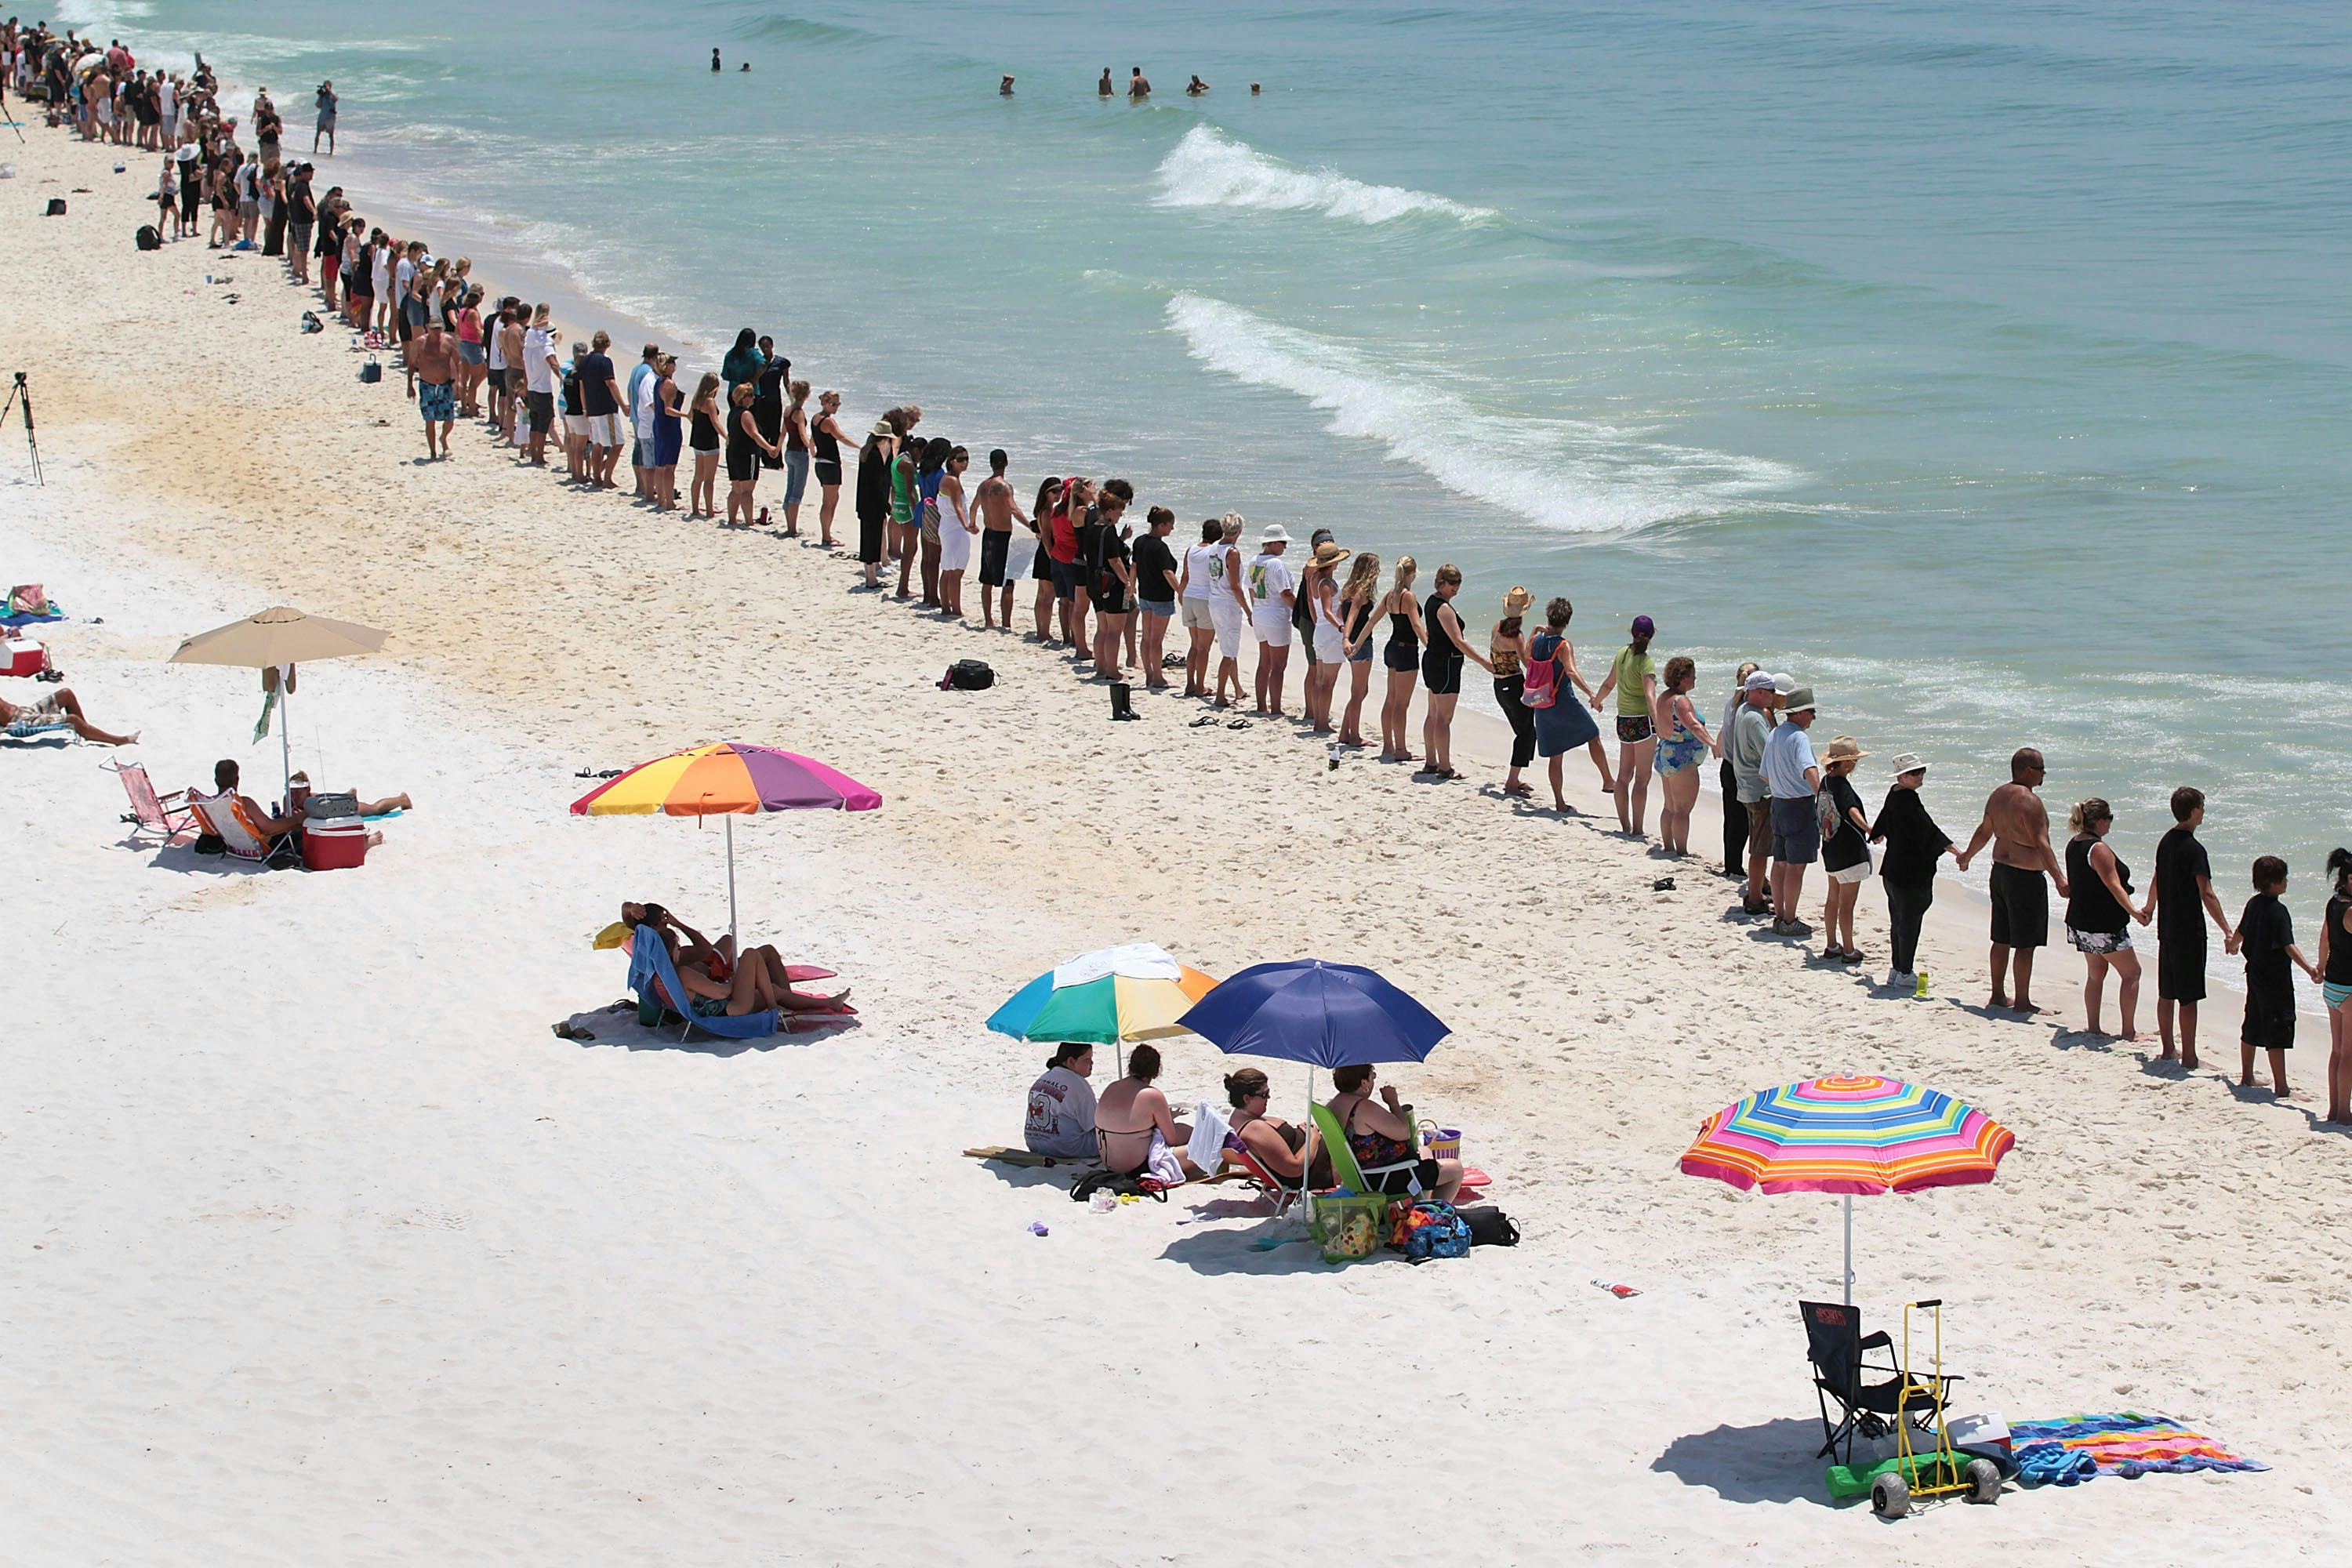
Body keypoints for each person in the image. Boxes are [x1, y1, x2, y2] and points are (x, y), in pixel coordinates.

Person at [1958, 748, 2069, 1014]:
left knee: (2001, 938)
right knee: (2025, 943)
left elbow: (1985, 831)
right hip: (2025, 878)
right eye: (2042, 770)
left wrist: (1967, 856)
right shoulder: (2030, 801)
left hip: (2000, 873)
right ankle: (2022, 1001)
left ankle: (1997, 995)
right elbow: (2042, 844)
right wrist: (2060, 879)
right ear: (2029, 771)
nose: (2044, 775)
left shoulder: (1998, 795)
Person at [619, 900, 849, 1020]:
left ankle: (784, 1004)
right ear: (651, 928)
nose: (667, 925)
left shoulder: (661, 959)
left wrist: (679, 925)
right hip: (722, 1001)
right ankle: (781, 1006)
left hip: (715, 990)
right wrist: (738, 981)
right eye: (664, 923)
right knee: (755, 960)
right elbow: (721, 992)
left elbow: (705, 949)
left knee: (765, 953)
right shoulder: (672, 962)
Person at [2146, 786, 2234, 1070]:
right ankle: (2191, 1057)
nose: (2204, 811)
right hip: (2189, 931)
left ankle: (2169, 1049)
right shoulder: (2195, 849)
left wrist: (2149, 908)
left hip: (2167, 928)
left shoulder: (2165, 842)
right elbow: (2207, 893)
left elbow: (2157, 878)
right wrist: (2227, 930)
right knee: (2189, 996)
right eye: (2202, 807)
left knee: (2167, 991)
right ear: (2193, 811)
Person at [1868, 752, 1958, 989]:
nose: (1920, 777)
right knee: (1909, 924)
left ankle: (1898, 969)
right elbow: (1929, 831)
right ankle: (1906, 972)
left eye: (1922, 772)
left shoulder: (1895, 794)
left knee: (1898, 922)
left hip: (1892, 871)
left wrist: (1878, 833)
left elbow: (1886, 818)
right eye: (1914, 773)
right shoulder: (1908, 800)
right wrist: (1958, 852)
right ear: (1901, 777)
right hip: (1908, 874)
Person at [2063, 797, 2148, 1039]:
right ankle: (2129, 1032)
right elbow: (2114, 886)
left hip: (2081, 921)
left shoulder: (2074, 843)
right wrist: (2135, 912)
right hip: (2102, 924)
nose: (2111, 823)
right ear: (2100, 821)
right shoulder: (2098, 848)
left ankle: (2094, 1027)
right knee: (2132, 974)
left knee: (2096, 973)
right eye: (2109, 818)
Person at [2236, 857, 2318, 1098]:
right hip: (2276, 980)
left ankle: (2247, 1076)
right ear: (2273, 883)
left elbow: (2241, 930)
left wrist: (2232, 944)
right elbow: (2288, 946)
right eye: (2284, 878)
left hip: (2255, 974)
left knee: (2252, 1021)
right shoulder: (2279, 911)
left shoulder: (2253, 904)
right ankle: (2281, 1087)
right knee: (2277, 1029)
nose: (2287, 882)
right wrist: (2309, 969)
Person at [1325, 1065, 1463, 1203]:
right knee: (1455, 1169)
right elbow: (1404, 1132)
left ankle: (1420, 1208)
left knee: (1425, 1150)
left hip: (1358, 1175)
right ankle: (1434, 1213)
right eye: (1372, 1075)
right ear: (1364, 1083)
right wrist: (1393, 1103)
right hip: (1384, 1178)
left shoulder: (1333, 1105)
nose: (1373, 1079)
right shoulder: (1363, 1107)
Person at [1527, 597, 1612, 813]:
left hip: (1542, 702)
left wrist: (1536, 630)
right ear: (1568, 621)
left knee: (1556, 757)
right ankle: (1607, 780)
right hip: (1563, 700)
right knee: (1593, 734)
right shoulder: (1563, 645)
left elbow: (1527, 659)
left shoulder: (1536, 641)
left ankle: (1559, 802)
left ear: (1548, 617)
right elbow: (1572, 672)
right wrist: (1592, 694)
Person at [1591, 615, 1660, 838]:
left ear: (1631, 632)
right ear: (1652, 636)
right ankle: (1638, 829)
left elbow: (1609, 683)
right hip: (1643, 723)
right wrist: (1660, 723)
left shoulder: (1622, 654)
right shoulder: (1646, 662)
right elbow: (1650, 696)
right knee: (1642, 779)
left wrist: (1597, 700)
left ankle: (1624, 825)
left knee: (1623, 776)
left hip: (1624, 722)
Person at [1762, 685, 1822, 938]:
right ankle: (1789, 919)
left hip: (1778, 804)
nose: (1813, 718)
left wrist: (1782, 783)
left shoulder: (1775, 734)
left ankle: (1780, 916)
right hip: (1799, 806)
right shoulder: (1799, 737)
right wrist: (1826, 797)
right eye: (1811, 712)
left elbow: (1764, 775)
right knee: (1796, 867)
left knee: (1780, 861)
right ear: (1799, 713)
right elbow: (1809, 769)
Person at [1418, 564, 1487, 779]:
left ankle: (1431, 762)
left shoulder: (1431, 601)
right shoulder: (1445, 609)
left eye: (1458, 583)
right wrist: (1485, 662)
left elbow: (1431, 632)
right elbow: (1458, 641)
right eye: (1452, 583)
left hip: (1432, 660)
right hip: (1445, 664)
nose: (1456, 587)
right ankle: (1445, 767)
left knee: (1433, 714)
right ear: (1441, 583)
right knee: (1443, 719)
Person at [1093, 1044, 1194, 1178]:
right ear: (1156, 1071)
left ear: (1130, 1066)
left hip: (1109, 1164)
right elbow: (1172, 1140)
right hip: (1138, 1168)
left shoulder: (1111, 1087)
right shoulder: (1152, 1095)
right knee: (1196, 1139)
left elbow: (1128, 1122)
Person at [1653, 655, 1719, 858]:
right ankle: (1681, 851)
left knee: (1669, 806)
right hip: (1682, 759)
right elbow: (1693, 725)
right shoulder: (1681, 701)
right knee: (1682, 809)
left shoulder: (1664, 697)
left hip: (1666, 753)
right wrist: (1712, 744)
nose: (1695, 679)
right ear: (1682, 678)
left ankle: (1669, 847)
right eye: (1692, 676)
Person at [1222, 1067, 1329, 1190]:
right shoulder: (1254, 1129)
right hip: (1322, 1170)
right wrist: (1313, 1138)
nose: (1269, 1097)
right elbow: (1294, 1168)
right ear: (1247, 1099)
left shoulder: (1239, 1117)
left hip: (1320, 1163)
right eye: (1264, 1094)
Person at [1814, 735, 1871, 961]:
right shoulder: (1843, 785)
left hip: (1830, 848)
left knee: (1833, 899)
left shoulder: (1825, 782)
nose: (1855, 765)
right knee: (1847, 905)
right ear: (1847, 763)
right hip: (1849, 852)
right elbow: (1851, 810)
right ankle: (1849, 950)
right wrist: (1870, 829)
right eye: (1854, 761)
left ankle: (1832, 945)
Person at [971, 448, 1028, 630]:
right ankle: (1006, 623)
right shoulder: (1004, 487)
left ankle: (988, 620)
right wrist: (1031, 526)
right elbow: (1013, 509)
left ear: (990, 464)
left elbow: (973, 508)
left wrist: (972, 524)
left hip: (989, 534)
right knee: (1008, 580)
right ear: (1006, 463)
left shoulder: (983, 486)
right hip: (1004, 536)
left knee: (987, 581)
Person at [1247, 524, 1298, 717]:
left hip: (1259, 614)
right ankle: (1275, 708)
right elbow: (1285, 593)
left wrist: (1255, 610)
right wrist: (1299, 612)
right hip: (1276, 616)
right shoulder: (1276, 564)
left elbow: (1250, 588)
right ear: (1274, 543)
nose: (1285, 547)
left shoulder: (1254, 561)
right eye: (1283, 543)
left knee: (1264, 663)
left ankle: (1261, 705)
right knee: (1278, 667)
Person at [1375, 557, 1424, 760]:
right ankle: (1401, 750)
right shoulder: (1408, 596)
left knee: (1391, 699)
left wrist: (1353, 642)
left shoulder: (1390, 596)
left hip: (1392, 648)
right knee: (1402, 704)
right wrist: (1431, 646)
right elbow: (1416, 625)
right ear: (1413, 573)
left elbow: (1372, 621)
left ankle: (1388, 745)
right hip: (1407, 650)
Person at [1334, 552, 1382, 749]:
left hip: (1353, 641)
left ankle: (1345, 732)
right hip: (1360, 644)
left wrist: (1345, 635)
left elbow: (1341, 614)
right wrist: (1346, 638)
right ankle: (1354, 736)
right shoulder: (1362, 591)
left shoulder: (1348, 589)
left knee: (1359, 690)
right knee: (1359, 691)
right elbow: (1352, 617)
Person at [1717, 661, 1760, 880]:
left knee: (1731, 819)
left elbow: (1725, 731)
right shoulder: (1749, 709)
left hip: (1728, 766)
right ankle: (1736, 867)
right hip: (1741, 769)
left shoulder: (1730, 703)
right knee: (1744, 822)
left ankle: (1732, 864)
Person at [2318, 848, 2352, 1123]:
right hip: (2349, 990)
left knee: (2338, 1051)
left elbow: (2325, 940)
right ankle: (2344, 1113)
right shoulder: (2351, 911)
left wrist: (2319, 967)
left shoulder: (2333, 904)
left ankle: (2333, 1109)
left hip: (2332, 986)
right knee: (2349, 1054)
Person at [1205, 514, 1250, 707]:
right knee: (1229, 652)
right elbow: (1235, 586)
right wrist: (1248, 611)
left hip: (1214, 600)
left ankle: (1237, 688)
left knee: (1228, 648)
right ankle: (1221, 695)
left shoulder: (1213, 548)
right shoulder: (1232, 553)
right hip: (1228, 604)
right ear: (1239, 531)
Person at [1132, 506, 1181, 688]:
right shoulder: (1160, 547)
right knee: (1156, 640)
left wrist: (1131, 586)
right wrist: (1181, 592)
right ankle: (1158, 678)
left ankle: (1149, 675)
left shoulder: (1139, 542)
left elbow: (1134, 566)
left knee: (1146, 637)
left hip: (1145, 595)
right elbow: (1168, 572)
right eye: (1170, 525)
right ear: (1161, 525)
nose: (1172, 529)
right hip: (1161, 597)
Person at [1024, 1043, 1098, 1160]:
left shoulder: (1045, 1077)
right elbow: (1095, 1126)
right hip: (1066, 1148)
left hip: (1035, 1144)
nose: (1092, 1063)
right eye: (1087, 1059)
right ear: (1071, 1062)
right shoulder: (1078, 1085)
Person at [854, 411, 901, 587]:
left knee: (868, 539)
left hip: (865, 503)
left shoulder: (868, 452)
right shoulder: (874, 456)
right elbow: (877, 484)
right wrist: (886, 505)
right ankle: (871, 579)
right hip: (873, 503)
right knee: (872, 540)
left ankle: (870, 576)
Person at [2, 688, 137, 746]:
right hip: (21, 722)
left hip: (26, 711)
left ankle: (87, 730)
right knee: (72, 719)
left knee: (67, 694)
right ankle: (118, 740)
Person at [935, 444, 978, 620]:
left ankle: (947, 607)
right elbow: (958, 507)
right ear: (951, 462)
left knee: (949, 569)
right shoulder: (952, 481)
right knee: (954, 571)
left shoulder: (950, 478)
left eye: (967, 459)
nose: (965, 463)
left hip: (949, 527)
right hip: (954, 529)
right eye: (961, 460)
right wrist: (967, 525)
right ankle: (955, 609)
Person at [726, 383, 778, 526]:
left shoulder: (733, 412)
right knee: (747, 490)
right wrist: (769, 448)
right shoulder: (746, 414)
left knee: (736, 488)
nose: (754, 398)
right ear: (744, 397)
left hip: (733, 452)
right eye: (751, 395)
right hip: (747, 454)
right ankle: (749, 521)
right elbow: (755, 435)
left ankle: (732, 519)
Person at [410, 315, 457, 460]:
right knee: (429, 420)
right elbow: (412, 364)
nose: (436, 331)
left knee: (449, 419)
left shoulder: (449, 341)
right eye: (433, 328)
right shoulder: (420, 343)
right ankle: (433, 452)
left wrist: (459, 382)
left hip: (445, 384)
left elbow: (458, 362)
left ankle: (443, 438)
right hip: (427, 385)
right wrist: (409, 386)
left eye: (439, 328)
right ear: (427, 327)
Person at [521, 304, 560, 467]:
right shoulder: (546, 346)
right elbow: (553, 364)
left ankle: (534, 455)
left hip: (531, 388)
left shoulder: (528, 345)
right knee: (544, 424)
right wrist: (563, 378)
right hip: (543, 389)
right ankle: (539, 456)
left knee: (534, 423)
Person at [809, 390, 849, 548]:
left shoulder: (815, 418)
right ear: (824, 403)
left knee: (833, 500)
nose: (836, 407)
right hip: (830, 464)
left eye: (838, 404)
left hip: (822, 463)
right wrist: (862, 448)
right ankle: (826, 537)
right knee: (828, 502)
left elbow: (813, 437)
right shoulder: (828, 422)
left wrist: (812, 449)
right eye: (833, 404)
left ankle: (827, 534)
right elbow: (842, 438)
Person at [684, 372, 724, 519]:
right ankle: (709, 511)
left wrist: (698, 426)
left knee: (698, 476)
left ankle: (695, 509)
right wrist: (726, 437)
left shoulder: (696, 400)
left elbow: (690, 416)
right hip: (710, 442)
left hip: (697, 441)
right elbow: (715, 422)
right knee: (709, 480)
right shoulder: (710, 401)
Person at [648, 354, 683, 512]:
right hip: (669, 426)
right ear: (667, 366)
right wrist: (686, 415)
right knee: (669, 466)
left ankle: (662, 500)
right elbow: (668, 409)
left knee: (661, 464)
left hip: (660, 425)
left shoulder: (658, 382)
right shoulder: (668, 384)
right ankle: (669, 502)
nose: (675, 365)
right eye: (672, 363)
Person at [778, 379, 812, 535]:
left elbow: (783, 433)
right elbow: (803, 435)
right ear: (807, 395)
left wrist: (777, 449)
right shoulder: (799, 413)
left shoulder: (787, 410)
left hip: (789, 452)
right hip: (799, 453)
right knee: (797, 492)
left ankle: (789, 525)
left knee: (789, 489)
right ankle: (792, 529)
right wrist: (813, 450)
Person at [312, 80, 335, 155]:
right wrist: (320, 96)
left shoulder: (332, 95)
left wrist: (330, 92)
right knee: (318, 133)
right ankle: (315, 150)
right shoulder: (323, 96)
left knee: (331, 135)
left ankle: (331, 152)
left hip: (330, 117)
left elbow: (336, 99)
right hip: (322, 116)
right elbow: (318, 105)